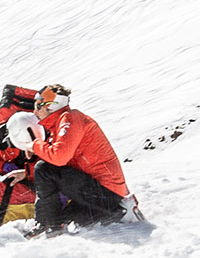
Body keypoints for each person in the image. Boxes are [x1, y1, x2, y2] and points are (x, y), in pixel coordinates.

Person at [7, 84, 137, 232]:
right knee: (65, 218)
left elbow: (59, 158)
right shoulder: (60, 125)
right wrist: (27, 172)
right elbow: (63, 164)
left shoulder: (71, 118)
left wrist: (34, 145)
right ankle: (118, 212)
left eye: (38, 105)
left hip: (104, 192)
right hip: (102, 195)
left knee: (43, 169)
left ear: (50, 107)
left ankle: (47, 225)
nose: (34, 111)